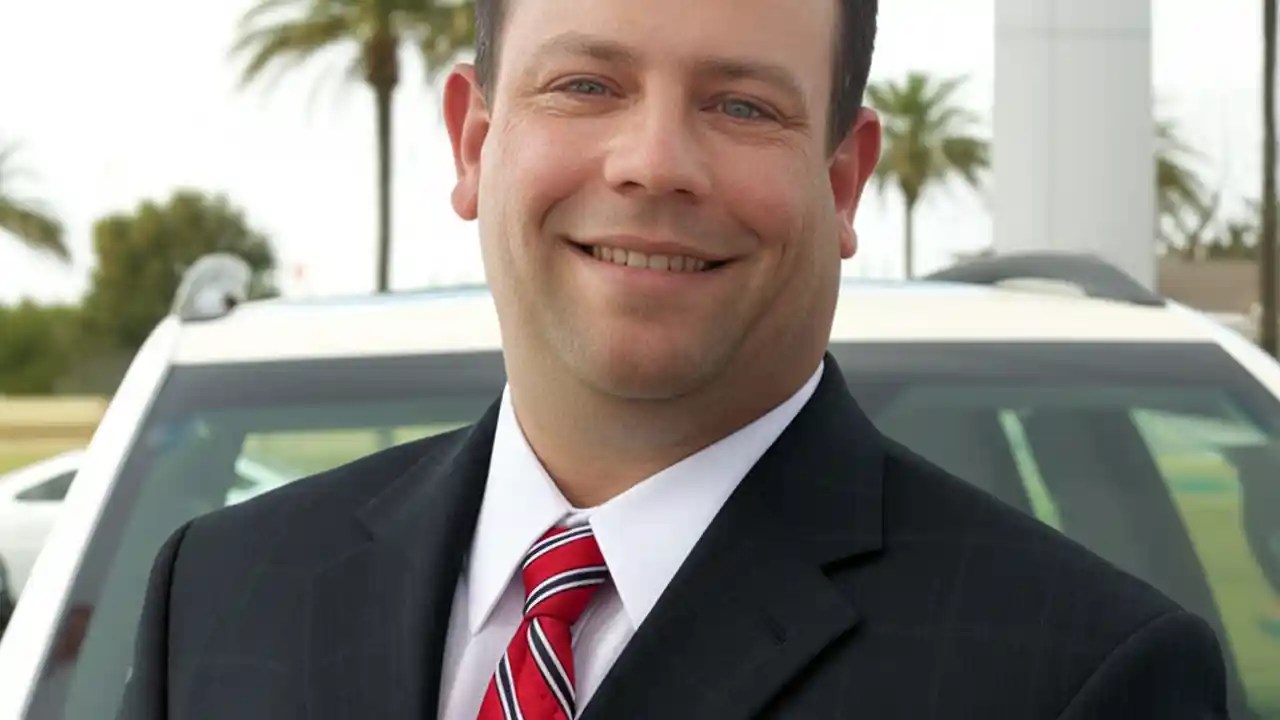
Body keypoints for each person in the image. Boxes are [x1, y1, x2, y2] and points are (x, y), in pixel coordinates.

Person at [119, 0, 1230, 717]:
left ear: (842, 183)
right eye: (586, 86)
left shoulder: (1085, 679)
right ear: (474, 141)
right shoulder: (217, 597)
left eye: (741, 105)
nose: (653, 163)